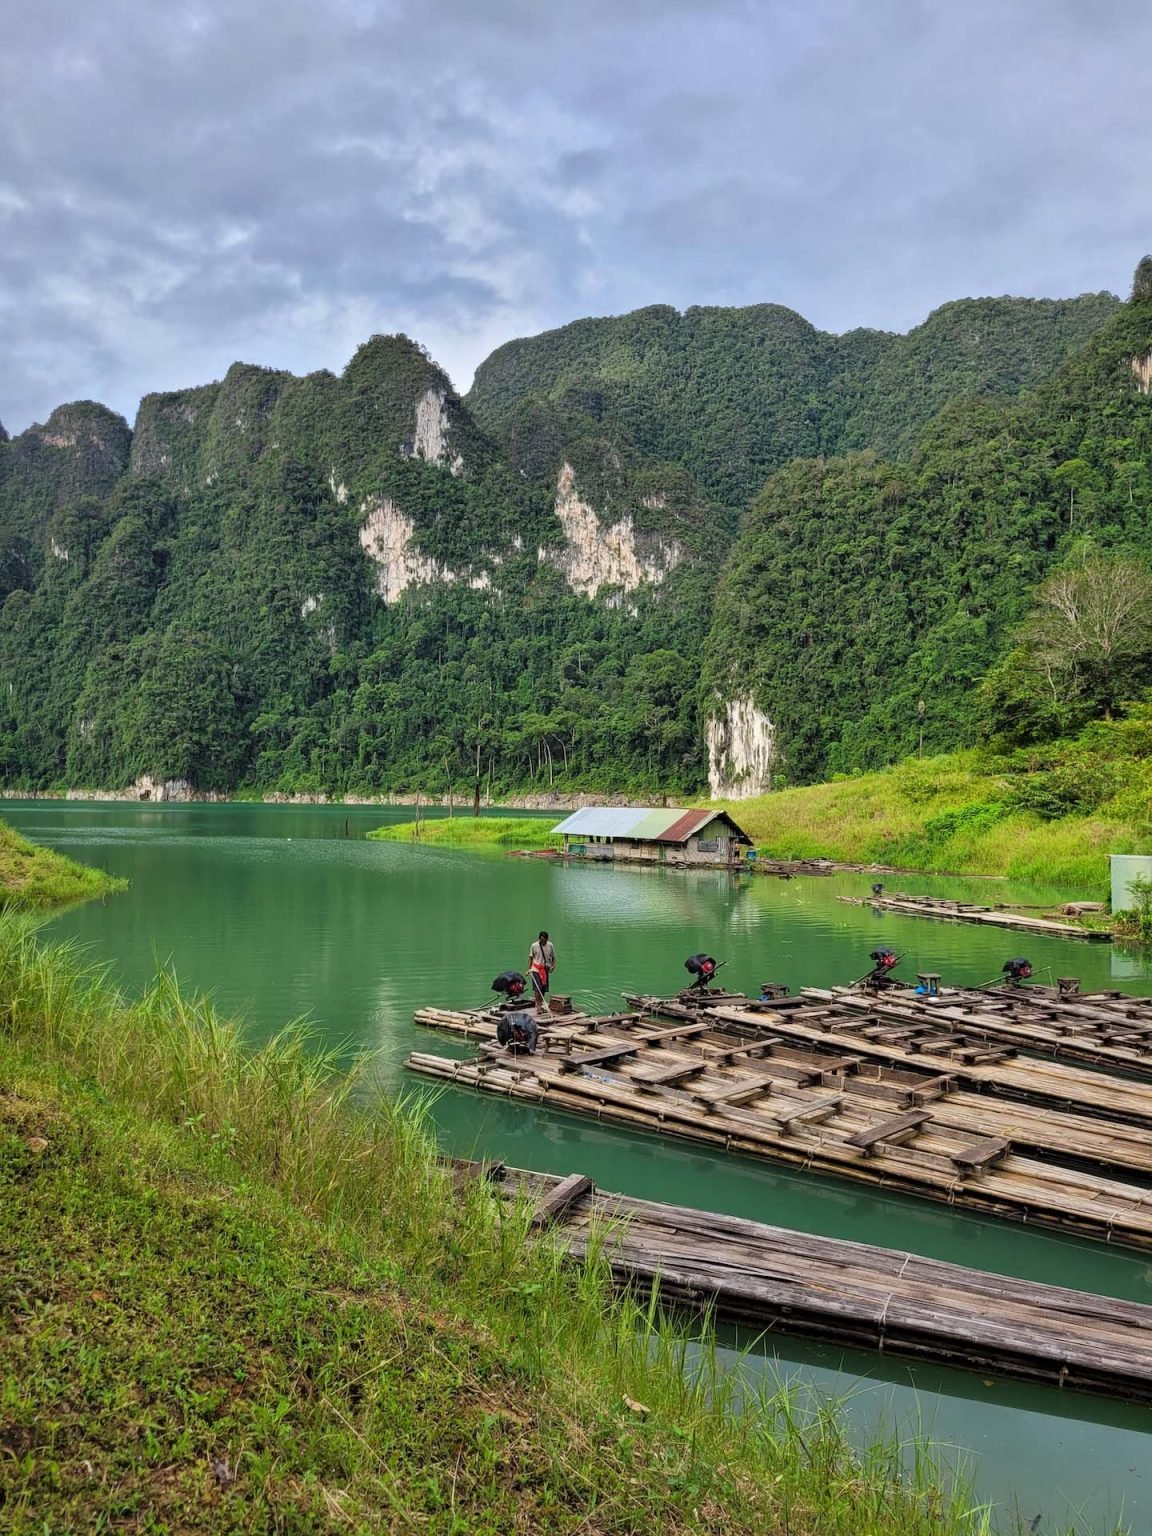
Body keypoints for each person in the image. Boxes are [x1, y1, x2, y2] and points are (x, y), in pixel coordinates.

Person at [528, 930, 556, 1013]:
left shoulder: (550, 945)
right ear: (539, 939)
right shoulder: (534, 945)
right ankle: (539, 1007)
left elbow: (553, 957)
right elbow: (530, 957)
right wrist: (529, 969)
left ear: (547, 939)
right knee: (538, 988)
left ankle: (539, 1003)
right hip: (536, 969)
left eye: (544, 940)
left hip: (545, 969)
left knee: (543, 988)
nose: (543, 941)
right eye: (541, 939)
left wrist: (554, 966)